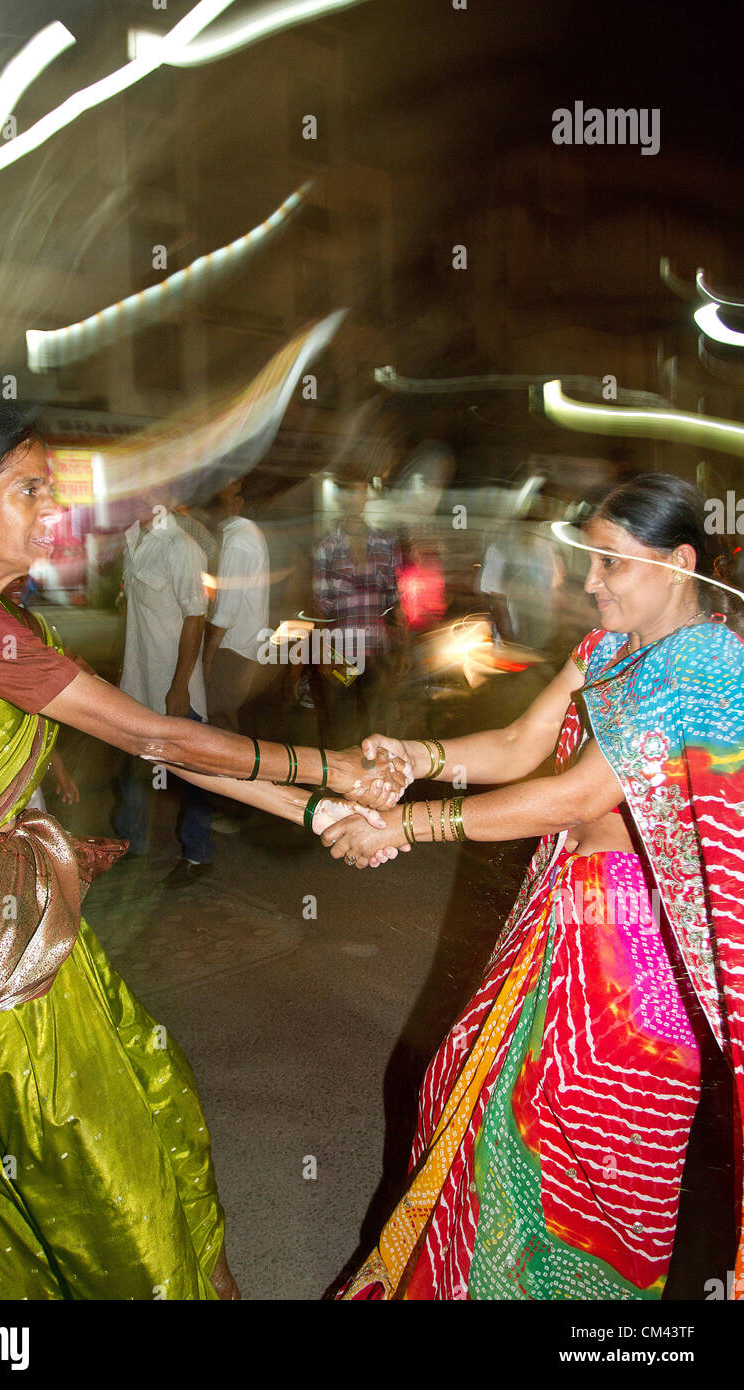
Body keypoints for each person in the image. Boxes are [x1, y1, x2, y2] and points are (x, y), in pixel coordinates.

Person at [0, 403, 406, 1302]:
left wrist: (312, 811)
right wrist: (334, 770)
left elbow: (147, 745)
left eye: (55, 490)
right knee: (111, 1207)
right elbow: (163, 738)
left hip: (28, 940)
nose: (55, 511)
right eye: (29, 490)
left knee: (158, 1119)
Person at [320, 472, 744, 1301]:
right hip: (564, 915)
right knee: (480, 1106)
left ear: (680, 562)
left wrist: (406, 825)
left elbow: (577, 794)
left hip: (640, 960)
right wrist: (416, 757)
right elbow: (519, 745)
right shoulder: (609, 649)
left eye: (611, 563)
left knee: (585, 1155)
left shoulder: (709, 663)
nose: (590, 582)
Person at [115, 508, 214, 884]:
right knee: (133, 767)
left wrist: (179, 685)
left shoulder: (182, 548)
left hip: (174, 685)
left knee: (195, 772)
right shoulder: (130, 538)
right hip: (137, 684)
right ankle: (132, 843)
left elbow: (196, 617)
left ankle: (199, 853)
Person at [311, 476, 408, 748]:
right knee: (341, 729)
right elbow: (321, 606)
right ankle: (337, 786)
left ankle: (377, 787)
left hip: (378, 654)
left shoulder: (386, 543)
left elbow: (395, 600)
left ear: (367, 497)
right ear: (341, 498)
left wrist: (404, 649)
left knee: (377, 730)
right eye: (349, 493)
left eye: (360, 493)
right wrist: (321, 654)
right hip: (341, 654)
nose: (355, 500)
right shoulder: (327, 546)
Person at [202, 478, 271, 734]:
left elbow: (226, 611)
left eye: (230, 489)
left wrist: (208, 657)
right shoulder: (247, 534)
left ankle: (233, 774)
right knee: (227, 720)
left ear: (238, 502)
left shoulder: (239, 540)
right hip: (245, 645)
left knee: (221, 722)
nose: (221, 493)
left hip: (232, 647)